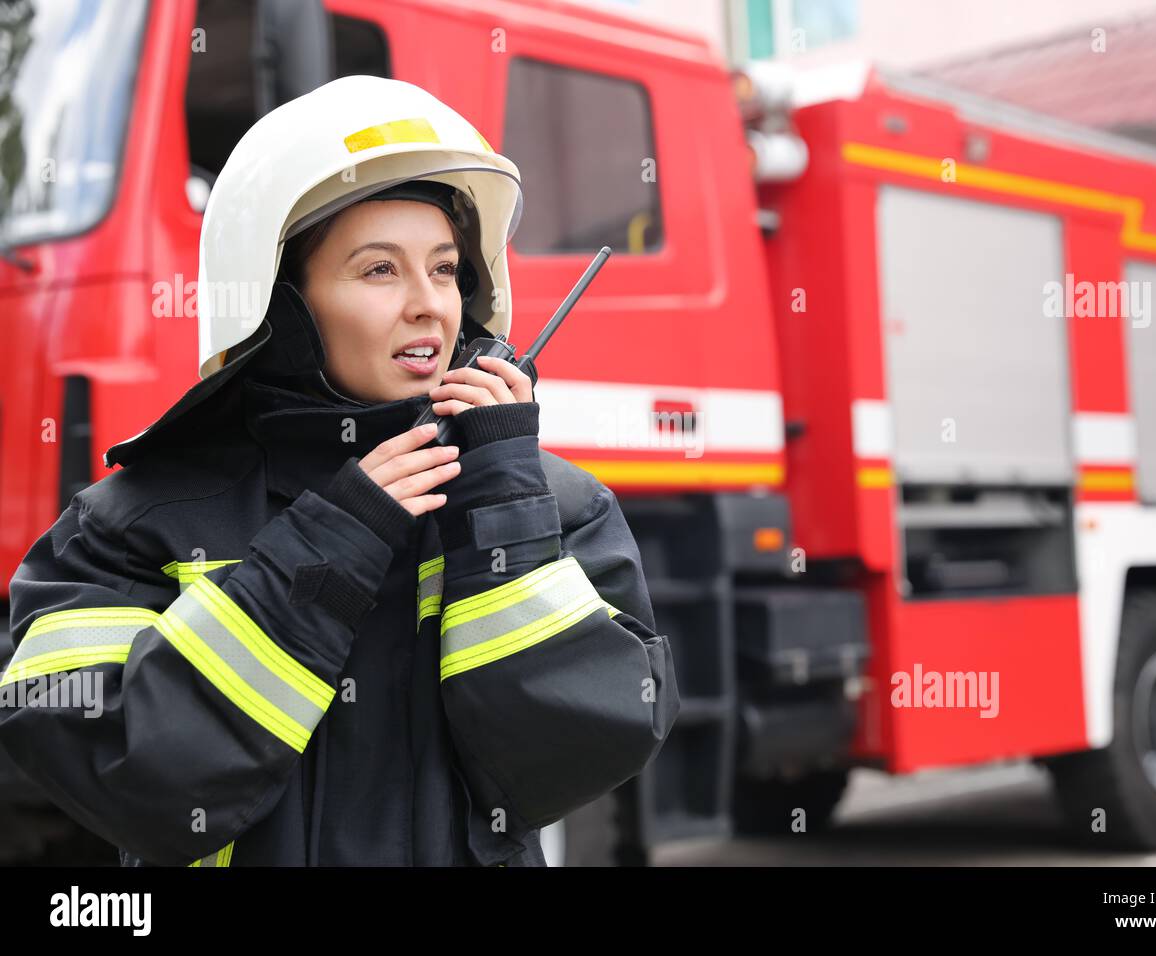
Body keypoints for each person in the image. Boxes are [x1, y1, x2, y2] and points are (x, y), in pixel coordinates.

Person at [0, 75, 679, 866]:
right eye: (379, 270)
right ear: (281, 305)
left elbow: (582, 747)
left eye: (447, 268)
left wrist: (503, 512)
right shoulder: (130, 522)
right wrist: (323, 554)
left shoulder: (552, 505)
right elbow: (124, 770)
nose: (430, 304)